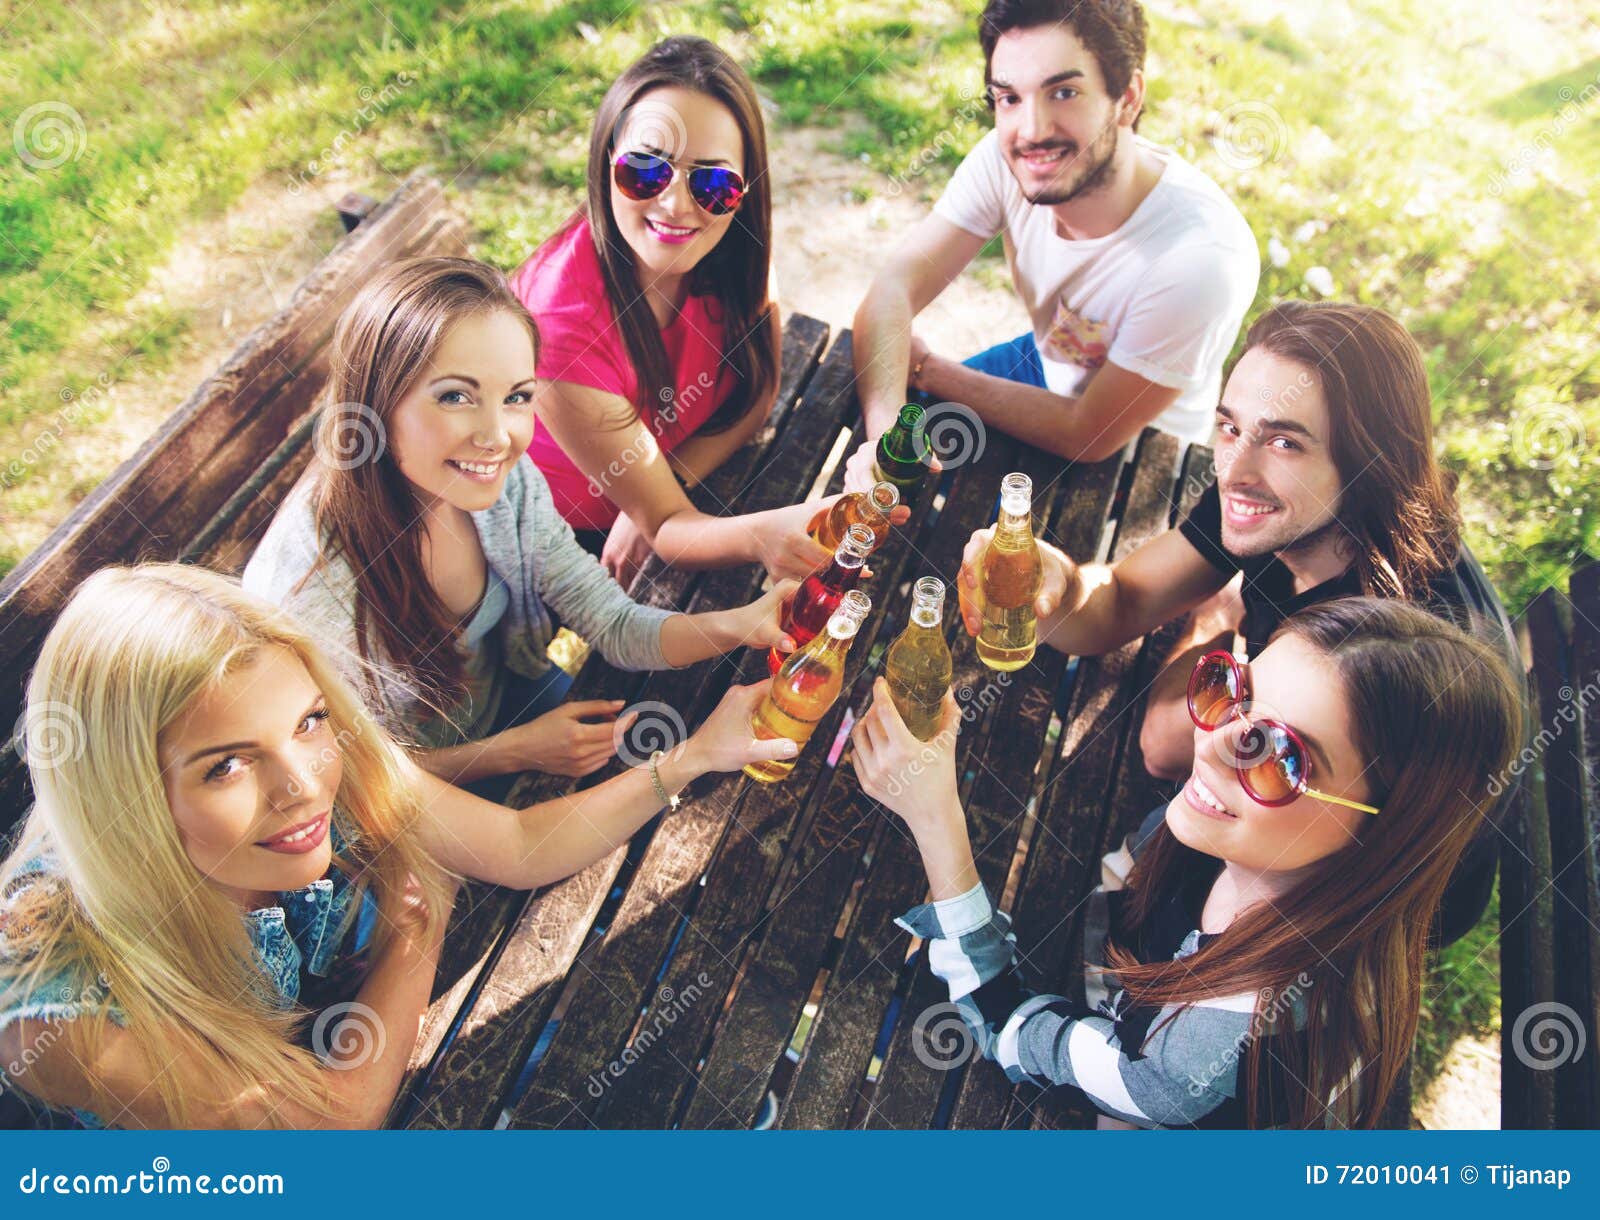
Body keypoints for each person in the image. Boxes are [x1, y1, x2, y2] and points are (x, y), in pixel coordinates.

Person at [0, 564, 795, 1128]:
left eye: (309, 720)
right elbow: (329, 1133)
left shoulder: (315, 764)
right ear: (128, 795)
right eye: (228, 765)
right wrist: (417, 927)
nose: (304, 784)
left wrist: (692, 757)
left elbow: (518, 845)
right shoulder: (61, 1011)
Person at [956, 299, 1521, 945]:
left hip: (1358, 906)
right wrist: (1056, 582)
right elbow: (1126, 602)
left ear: (1371, 457)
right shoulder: (1280, 505)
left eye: (1285, 440)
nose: (1236, 470)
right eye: (1229, 427)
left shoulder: (1381, 636)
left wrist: (1209, 634)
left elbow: (1167, 748)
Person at [852, 597, 1522, 1128]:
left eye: (1284, 755)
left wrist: (934, 817)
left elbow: (1007, 1027)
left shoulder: (1207, 1055)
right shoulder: (1238, 844)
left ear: (1385, 834)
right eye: (1234, 691)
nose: (1217, 744)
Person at [244, 256, 794, 801]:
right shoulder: (307, 593)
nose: (497, 435)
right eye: (455, 396)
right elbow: (331, 780)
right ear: (375, 404)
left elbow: (612, 620)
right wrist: (512, 752)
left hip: (514, 704)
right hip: (407, 802)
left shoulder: (504, 484)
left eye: (516, 397)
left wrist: (738, 625)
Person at [511, 37, 885, 585]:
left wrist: (669, 481)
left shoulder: (731, 246)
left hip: (664, 500)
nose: (677, 204)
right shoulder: (561, 328)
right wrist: (696, 516)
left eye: (713, 182)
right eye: (645, 170)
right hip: (561, 544)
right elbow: (664, 524)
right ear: (605, 158)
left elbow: (757, 394)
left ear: (743, 191)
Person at [844, 0, 1258, 490]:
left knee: (980, 555)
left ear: (1128, 97)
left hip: (1135, 453)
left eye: (1063, 92)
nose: (1032, 130)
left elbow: (1088, 434)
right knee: (867, 435)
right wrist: (885, 439)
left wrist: (929, 369)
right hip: (1046, 362)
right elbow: (895, 286)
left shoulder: (1201, 261)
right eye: (1009, 98)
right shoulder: (1005, 162)